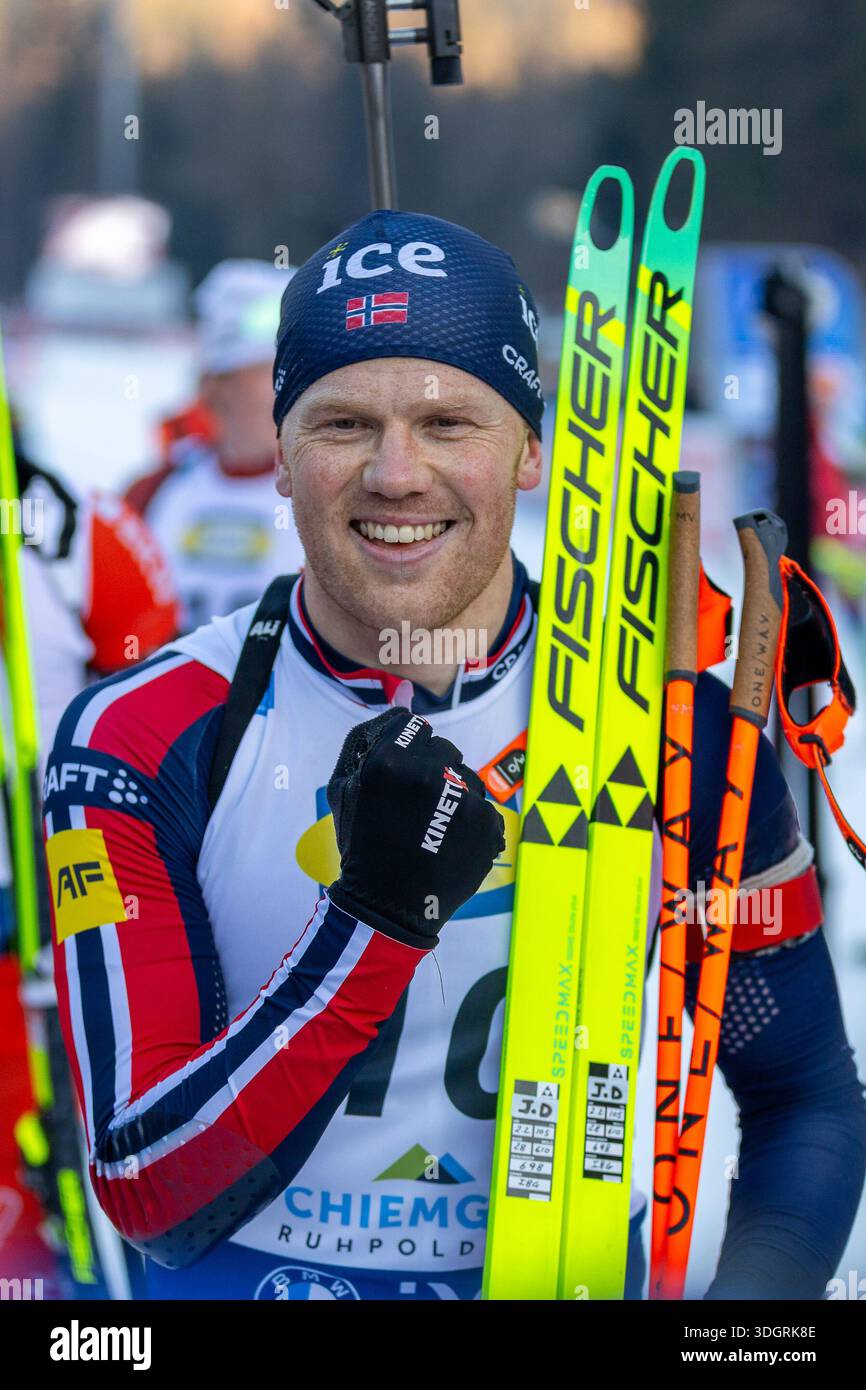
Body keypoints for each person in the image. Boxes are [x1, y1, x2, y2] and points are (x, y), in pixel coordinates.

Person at [44, 211, 866, 1302]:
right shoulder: (142, 737)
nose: (395, 473)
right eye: (340, 422)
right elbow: (150, 1186)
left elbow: (802, 1094)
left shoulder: (681, 735)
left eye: (447, 421)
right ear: (276, 458)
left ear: (530, 451)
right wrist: (369, 926)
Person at [125, 259, 305, 631]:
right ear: (214, 385)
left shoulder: (341, 489)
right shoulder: (155, 492)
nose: (295, 390)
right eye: (270, 373)